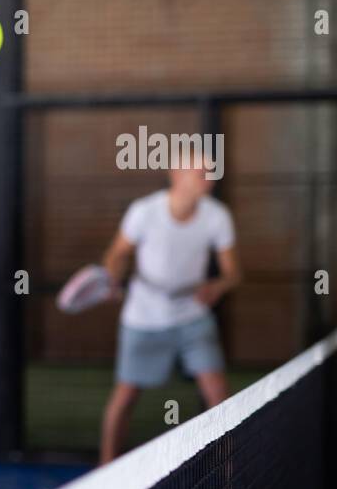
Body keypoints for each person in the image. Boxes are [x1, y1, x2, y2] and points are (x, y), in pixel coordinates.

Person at [98, 162, 241, 464]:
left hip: (193, 316)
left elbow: (233, 273)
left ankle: (229, 474)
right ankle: (105, 469)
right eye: (201, 172)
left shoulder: (217, 216)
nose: (209, 179)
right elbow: (117, 254)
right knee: (125, 395)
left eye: (211, 172)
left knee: (218, 394)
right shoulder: (144, 211)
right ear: (177, 174)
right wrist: (112, 276)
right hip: (143, 316)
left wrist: (218, 286)